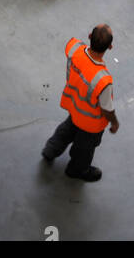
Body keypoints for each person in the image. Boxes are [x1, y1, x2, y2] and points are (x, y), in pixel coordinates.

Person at [41, 25, 119, 182]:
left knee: (67, 129)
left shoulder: (75, 49)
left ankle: (51, 150)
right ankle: (76, 170)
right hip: (90, 124)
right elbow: (106, 108)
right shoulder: (103, 80)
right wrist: (114, 122)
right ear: (110, 47)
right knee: (84, 149)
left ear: (89, 36)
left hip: (74, 106)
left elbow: (75, 46)